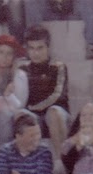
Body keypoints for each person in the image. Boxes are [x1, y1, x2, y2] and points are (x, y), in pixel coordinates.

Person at [22, 25, 71, 153]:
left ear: (48, 47)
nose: (36, 53)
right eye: (31, 48)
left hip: (57, 113)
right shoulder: (22, 70)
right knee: (21, 115)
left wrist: (35, 107)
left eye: (40, 48)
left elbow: (58, 95)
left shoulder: (58, 67)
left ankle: (62, 162)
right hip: (33, 115)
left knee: (53, 112)